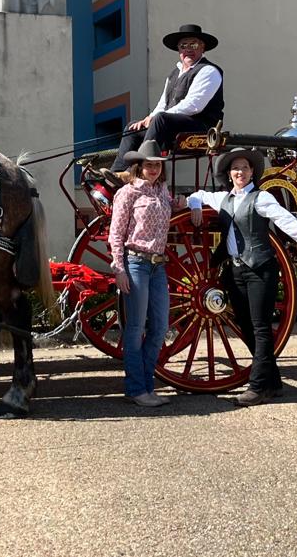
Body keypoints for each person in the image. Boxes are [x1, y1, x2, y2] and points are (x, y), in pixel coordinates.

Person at [187, 148, 297, 406]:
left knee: (261, 328)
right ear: (229, 174)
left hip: (260, 269)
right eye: (235, 168)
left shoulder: (261, 198)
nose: (239, 172)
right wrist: (195, 204)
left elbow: (285, 220)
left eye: (244, 168)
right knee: (246, 327)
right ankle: (272, 383)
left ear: (252, 172)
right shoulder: (223, 199)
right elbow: (197, 194)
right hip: (236, 271)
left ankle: (257, 387)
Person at [108, 140, 181, 407]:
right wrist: (119, 269)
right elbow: (115, 234)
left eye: (157, 165)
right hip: (136, 263)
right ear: (139, 166)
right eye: (149, 165)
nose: (153, 169)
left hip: (158, 266)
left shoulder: (163, 191)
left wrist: (194, 206)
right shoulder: (127, 193)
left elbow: (177, 205)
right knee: (135, 327)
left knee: (160, 326)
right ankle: (137, 389)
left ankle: (147, 385)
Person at [102, 24, 224, 182]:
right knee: (132, 128)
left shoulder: (209, 70)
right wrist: (148, 118)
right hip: (171, 124)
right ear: (179, 50)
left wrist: (157, 117)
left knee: (161, 119)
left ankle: (137, 171)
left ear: (203, 48)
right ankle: (117, 173)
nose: (188, 49)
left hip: (202, 127)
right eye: (183, 45)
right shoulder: (173, 74)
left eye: (193, 44)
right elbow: (163, 104)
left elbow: (193, 105)